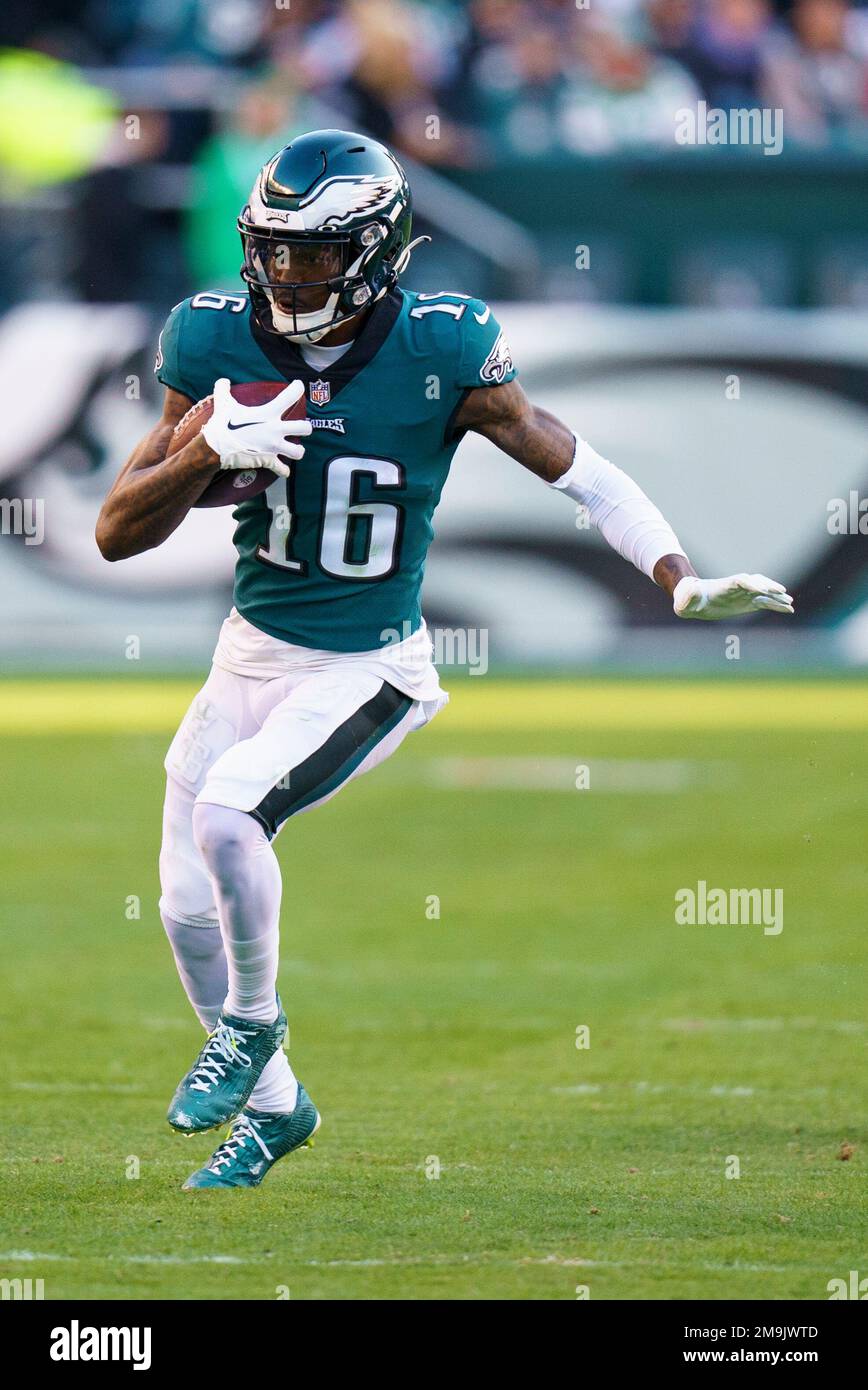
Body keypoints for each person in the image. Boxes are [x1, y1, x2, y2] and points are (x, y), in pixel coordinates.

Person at [95, 129, 793, 1191]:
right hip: (249, 654)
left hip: (366, 666)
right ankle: (279, 1106)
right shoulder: (210, 341)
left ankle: (248, 1029)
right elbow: (116, 531)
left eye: (315, 254)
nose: (288, 276)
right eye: (274, 251)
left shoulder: (440, 349)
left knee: (231, 812)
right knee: (186, 897)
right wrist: (203, 450)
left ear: (376, 251)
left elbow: (581, 469)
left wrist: (675, 574)